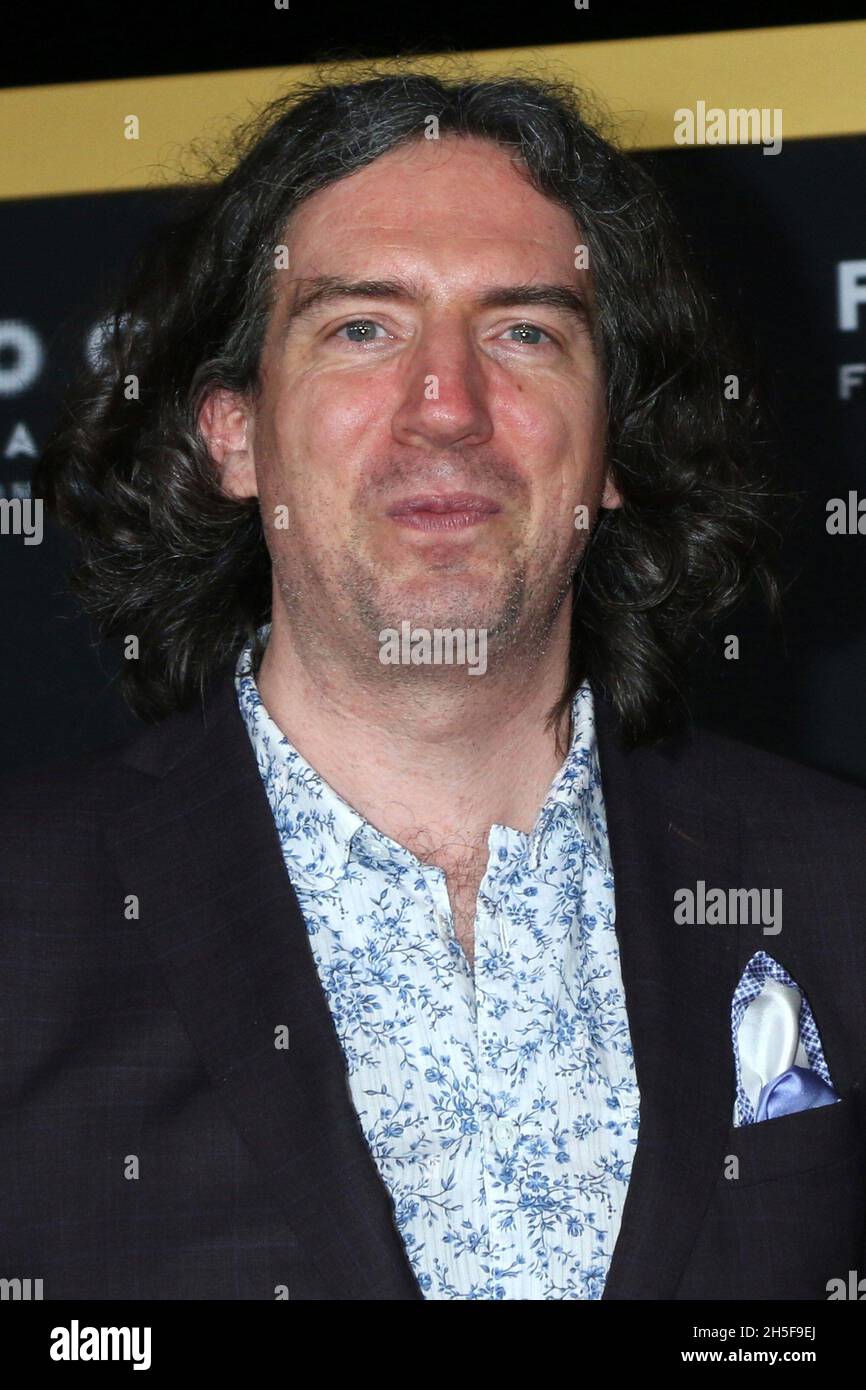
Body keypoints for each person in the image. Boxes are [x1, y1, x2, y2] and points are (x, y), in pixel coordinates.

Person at [5, 67, 865, 1301]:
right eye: (363, 327)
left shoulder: (831, 883)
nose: (447, 409)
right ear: (235, 432)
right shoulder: (21, 919)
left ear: (613, 445)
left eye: (523, 332)